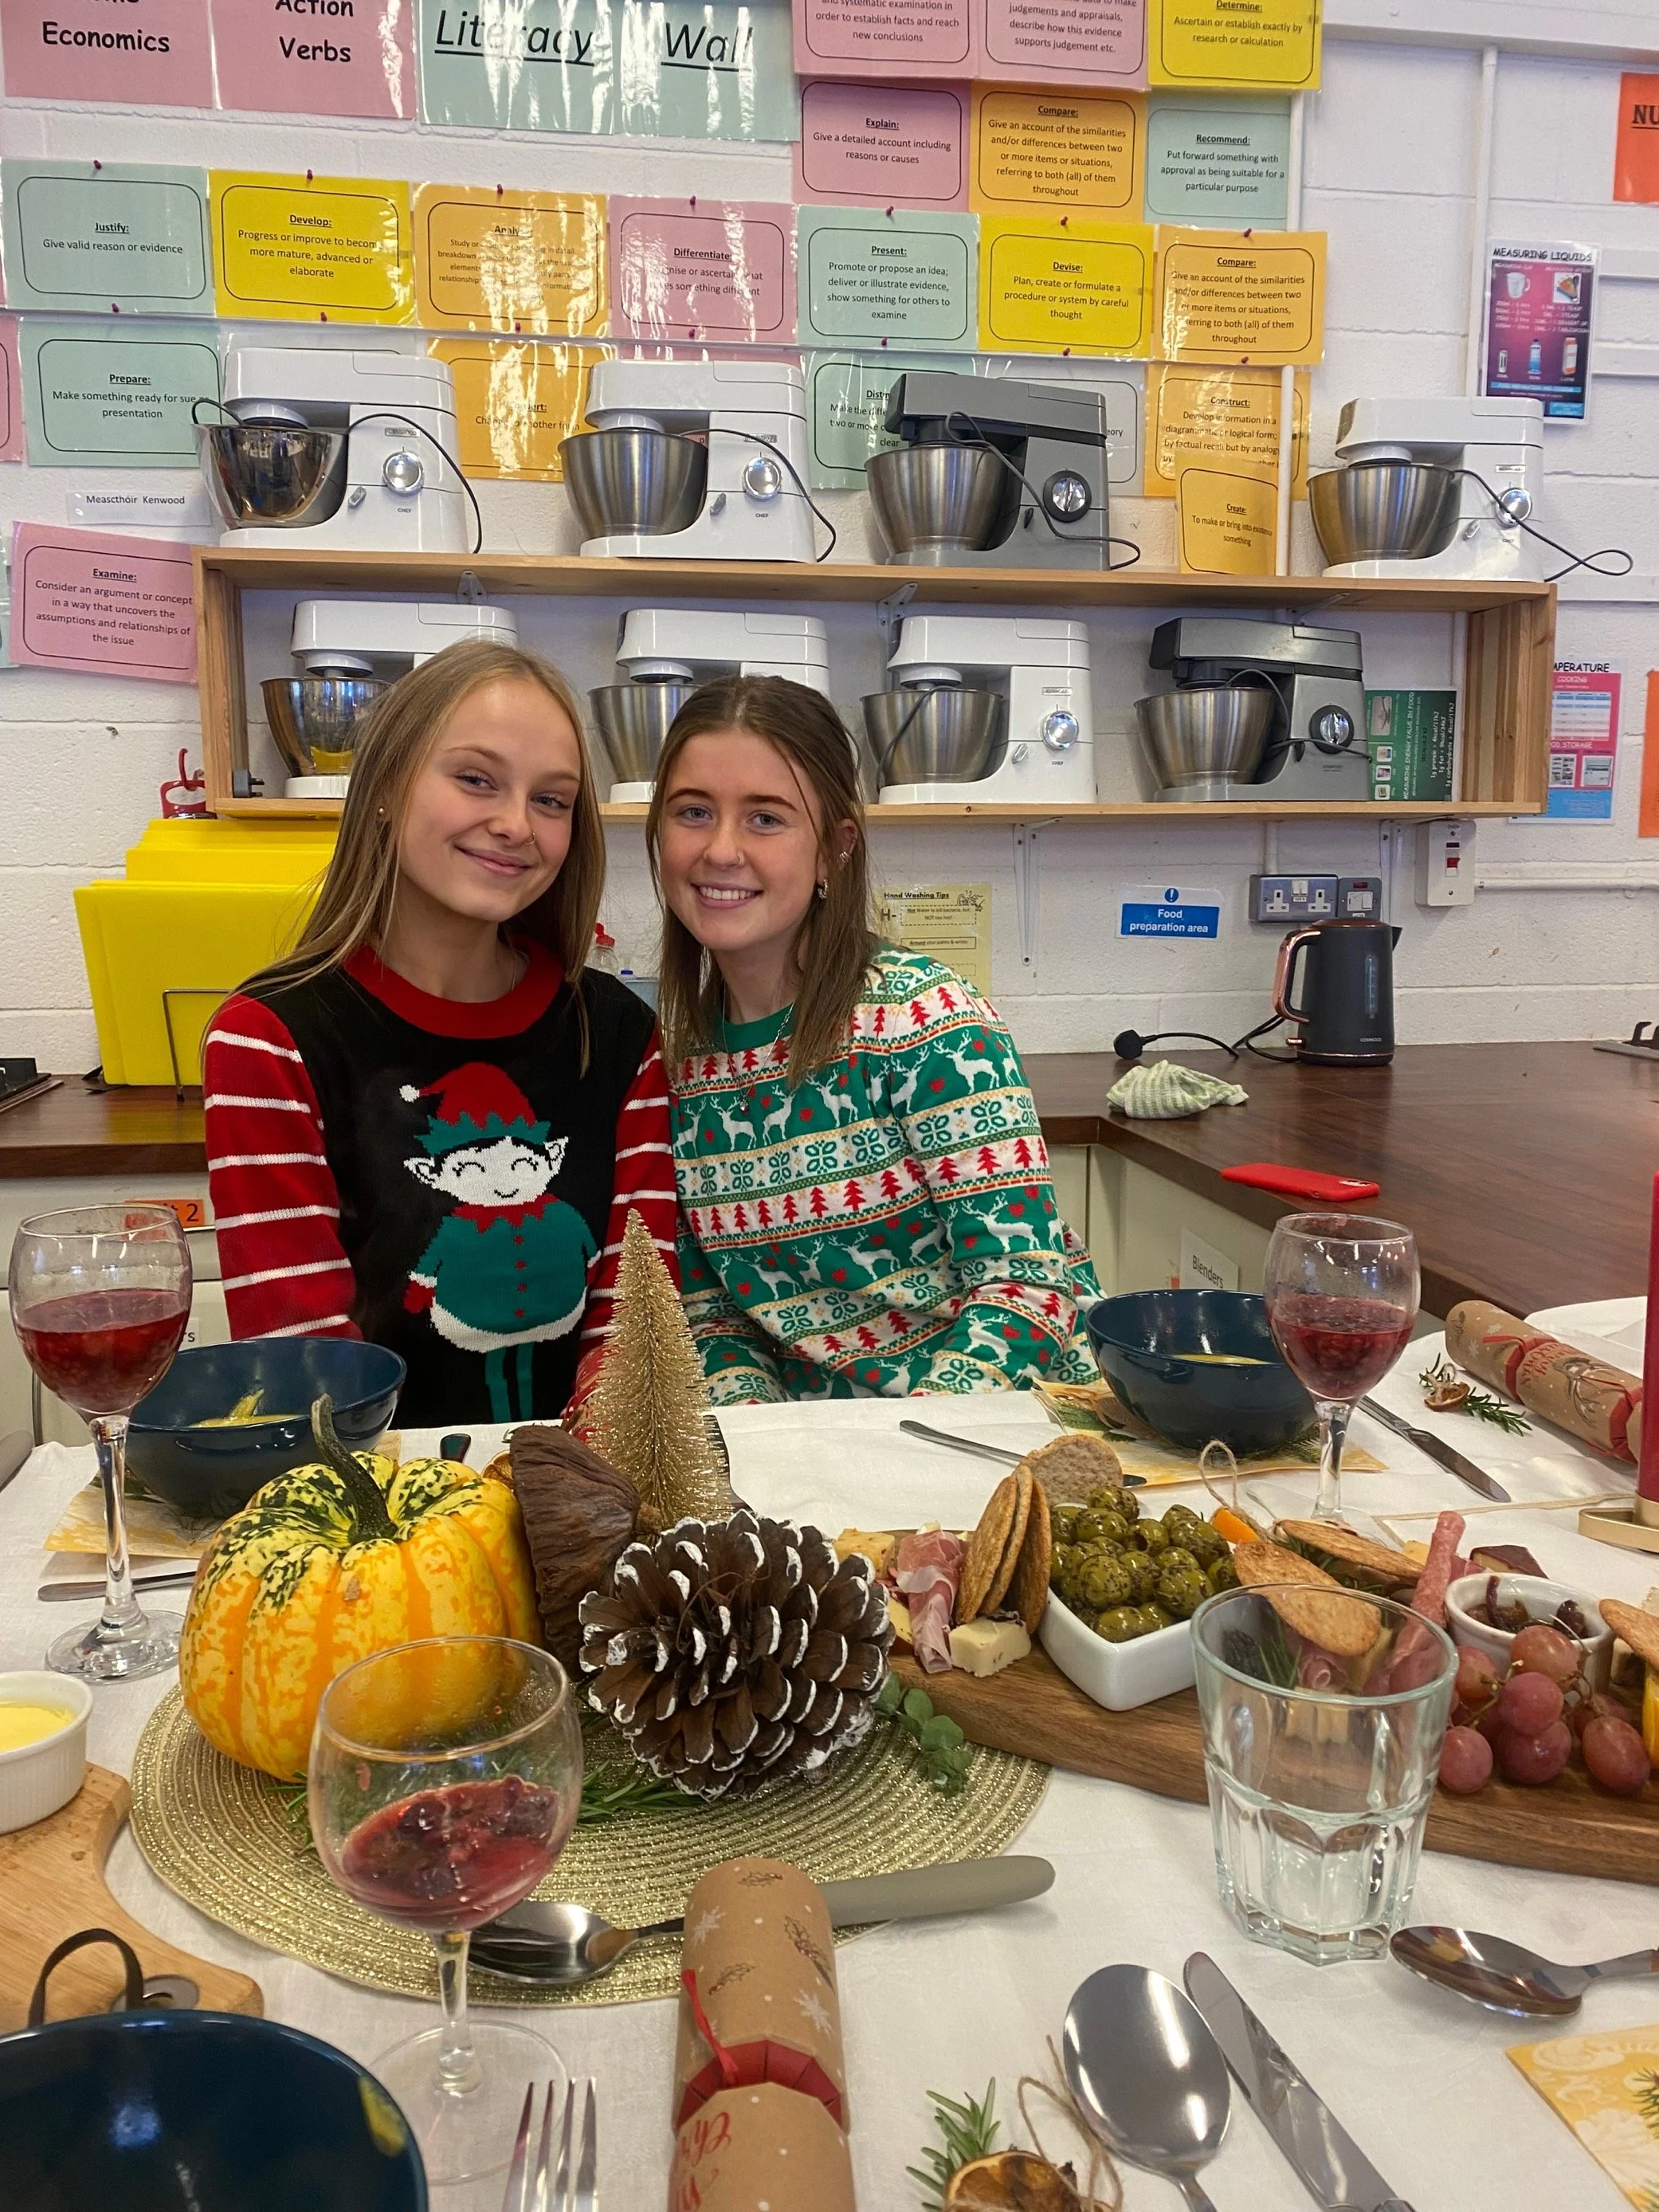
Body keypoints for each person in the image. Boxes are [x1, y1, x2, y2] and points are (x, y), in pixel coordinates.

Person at [202, 641, 675, 1428]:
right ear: (386, 786)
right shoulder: (269, 1040)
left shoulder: (621, 1034)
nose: (517, 824)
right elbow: (303, 1359)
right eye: (476, 779)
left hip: (585, 1493)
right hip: (384, 1506)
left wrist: (582, 1484)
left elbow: (639, 1317)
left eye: (552, 800)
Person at [647, 673, 1100, 1402]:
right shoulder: (679, 1059)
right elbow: (715, 1308)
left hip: (995, 1435)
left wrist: (898, 1459)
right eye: (694, 811)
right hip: (816, 1453)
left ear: (835, 847)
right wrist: (758, 1435)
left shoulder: (927, 1024)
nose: (721, 850)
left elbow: (1026, 1290)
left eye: (766, 818)